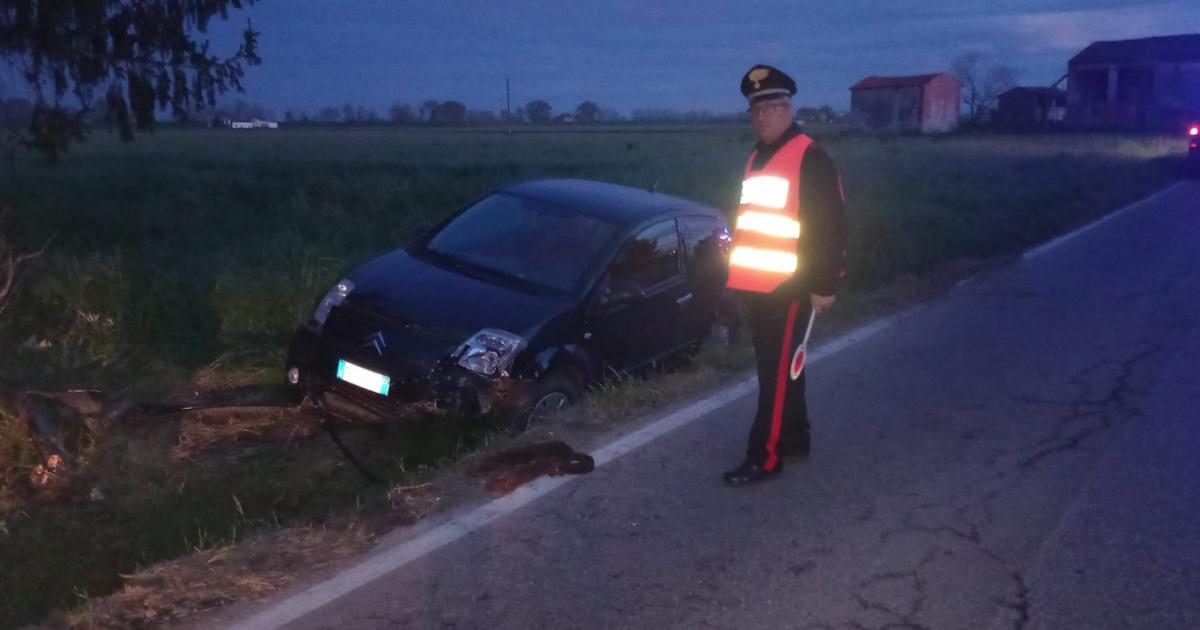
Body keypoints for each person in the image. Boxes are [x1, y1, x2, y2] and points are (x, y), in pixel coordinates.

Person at [722, 64, 848, 486]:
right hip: (759, 285)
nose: (763, 115)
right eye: (757, 108)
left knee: (775, 376)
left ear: (789, 108)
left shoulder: (811, 157)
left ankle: (766, 456)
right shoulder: (755, 157)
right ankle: (795, 438)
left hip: (792, 285)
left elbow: (831, 224)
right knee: (782, 370)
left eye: (773, 106)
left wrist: (825, 284)